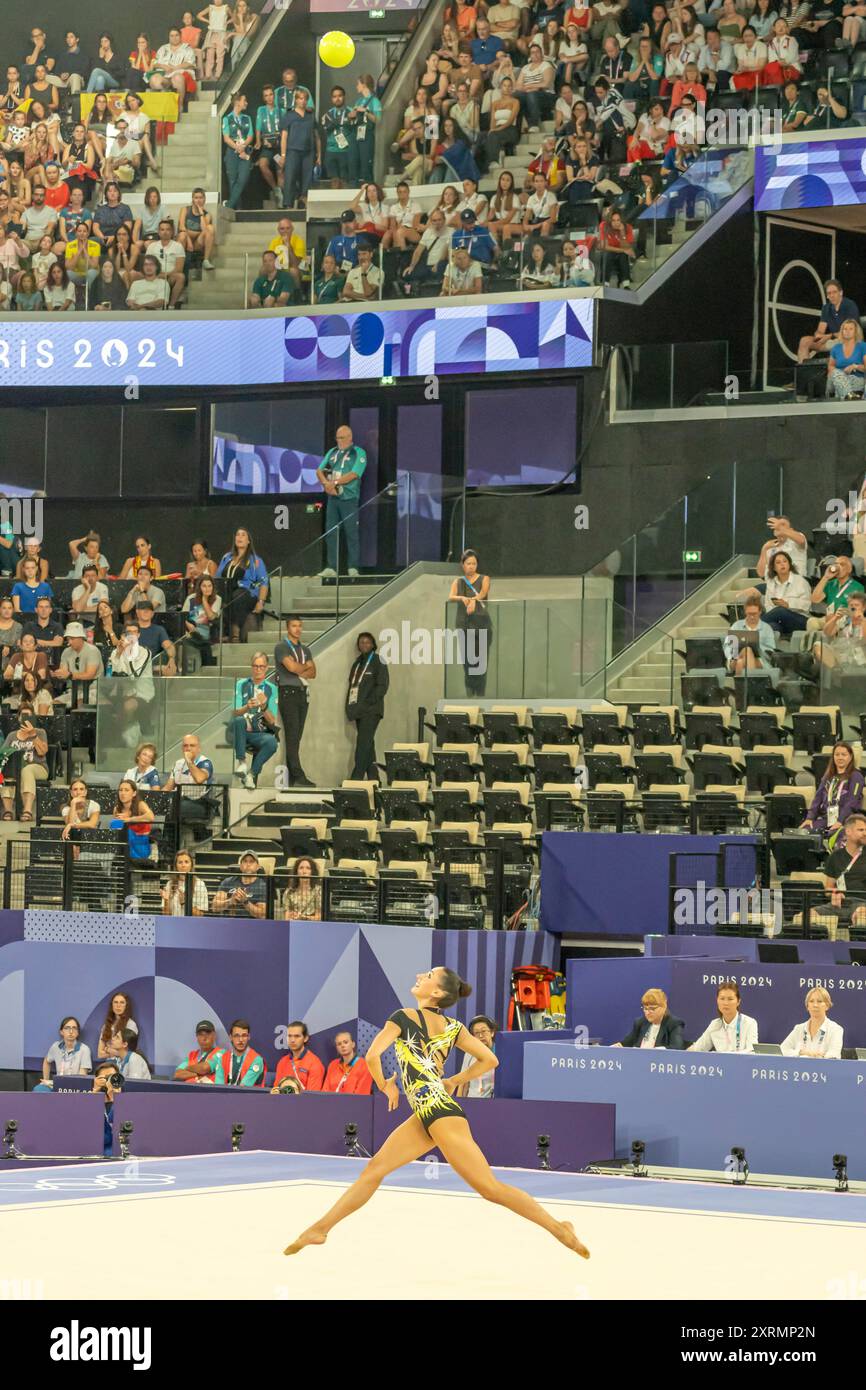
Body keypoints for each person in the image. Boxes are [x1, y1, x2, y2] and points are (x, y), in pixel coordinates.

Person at [285, 967, 589, 1258]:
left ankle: (558, 1228)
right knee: (374, 1170)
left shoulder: (403, 1017)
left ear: (438, 992)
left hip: (441, 1112)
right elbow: (489, 1060)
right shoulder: (453, 1028)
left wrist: (386, 1086)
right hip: (428, 1114)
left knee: (490, 1188)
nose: (420, 976)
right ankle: (320, 1229)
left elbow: (374, 1055)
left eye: (428, 975)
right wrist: (454, 1080)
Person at [316, 424, 368, 579]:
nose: (339, 440)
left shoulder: (358, 452)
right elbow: (319, 470)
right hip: (333, 497)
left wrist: (336, 482)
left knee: (351, 532)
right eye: (337, 438)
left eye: (342, 437)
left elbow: (354, 473)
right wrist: (326, 484)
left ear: (350, 437)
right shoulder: (332, 452)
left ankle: (353, 566)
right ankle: (331, 566)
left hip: (349, 498)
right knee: (331, 531)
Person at [274, 615, 316, 788]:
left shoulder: (305, 649)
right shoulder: (282, 647)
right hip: (288, 693)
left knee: (296, 736)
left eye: (300, 626)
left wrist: (300, 668)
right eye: (294, 626)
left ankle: (293, 777)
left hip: (302, 693)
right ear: (287, 628)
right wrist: (303, 666)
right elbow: (291, 668)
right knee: (291, 735)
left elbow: (313, 673)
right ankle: (298, 775)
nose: (297, 629)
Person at [230, 652, 279, 789]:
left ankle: (251, 775)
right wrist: (247, 707)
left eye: (261, 666)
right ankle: (242, 763)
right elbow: (234, 712)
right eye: (255, 666)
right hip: (241, 729)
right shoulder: (241, 684)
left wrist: (264, 706)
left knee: (272, 742)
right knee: (239, 720)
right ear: (252, 667)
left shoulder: (272, 689)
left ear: (267, 668)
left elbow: (272, 721)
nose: (258, 669)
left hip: (259, 731)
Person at [346, 631, 389, 780]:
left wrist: (368, 702)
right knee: (368, 745)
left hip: (371, 710)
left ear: (373, 645)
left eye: (367, 642)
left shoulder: (379, 661)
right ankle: (374, 779)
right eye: (361, 642)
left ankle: (356, 778)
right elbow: (352, 686)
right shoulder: (357, 663)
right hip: (358, 711)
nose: (364, 644)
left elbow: (382, 686)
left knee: (362, 744)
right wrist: (350, 708)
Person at [449, 549, 492, 696]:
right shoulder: (458, 581)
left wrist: (473, 601)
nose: (471, 566)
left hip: (481, 625)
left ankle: (480, 693)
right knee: (467, 660)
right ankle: (470, 692)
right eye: (468, 563)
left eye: (474, 563)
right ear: (463, 565)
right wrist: (462, 598)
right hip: (464, 625)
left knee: (480, 661)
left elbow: (483, 593)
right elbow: (451, 596)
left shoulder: (484, 578)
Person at [216, 528, 268, 643]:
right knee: (223, 598)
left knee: (237, 596)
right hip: (228, 591)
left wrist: (261, 602)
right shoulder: (227, 557)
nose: (239, 537)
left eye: (243, 535)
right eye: (237, 535)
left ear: (248, 541)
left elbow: (264, 582)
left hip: (247, 593)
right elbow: (218, 577)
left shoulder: (255, 560)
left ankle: (235, 634)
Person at [0, 703, 49, 821]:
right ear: (18, 717)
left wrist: (33, 735)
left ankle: (27, 810)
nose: (25, 718)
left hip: (38, 767)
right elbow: (2, 754)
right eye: (23, 715)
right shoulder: (12, 735)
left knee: (27, 770)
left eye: (29, 716)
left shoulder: (40, 732)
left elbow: (42, 752)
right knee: (5, 771)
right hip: (15, 768)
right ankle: (8, 810)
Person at [798, 278, 860, 365]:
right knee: (804, 341)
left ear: (840, 292)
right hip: (833, 341)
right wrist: (818, 335)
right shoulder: (826, 308)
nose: (832, 295)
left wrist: (829, 336)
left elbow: (849, 333)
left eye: (834, 292)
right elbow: (821, 329)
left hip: (848, 341)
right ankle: (804, 375)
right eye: (829, 293)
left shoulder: (850, 305)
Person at [162, 733, 215, 836]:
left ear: (199, 748)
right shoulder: (178, 763)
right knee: (164, 806)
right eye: (185, 746)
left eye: (192, 745)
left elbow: (200, 778)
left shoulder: (205, 762)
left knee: (173, 807)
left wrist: (189, 761)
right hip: (180, 801)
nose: (188, 748)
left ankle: (168, 846)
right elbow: (168, 787)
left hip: (200, 803)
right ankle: (160, 839)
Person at [280, 88, 320, 211]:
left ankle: (304, 200)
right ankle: (288, 203)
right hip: (293, 150)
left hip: (309, 151)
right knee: (290, 176)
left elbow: (317, 137)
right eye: (300, 98)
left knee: (307, 178)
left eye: (305, 99)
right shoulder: (289, 115)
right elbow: (284, 137)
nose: (303, 101)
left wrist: (319, 155)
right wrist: (283, 155)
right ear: (296, 100)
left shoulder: (310, 116)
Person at [689, 981, 759, 1052]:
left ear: (738, 1002)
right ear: (717, 1001)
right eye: (722, 999)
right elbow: (697, 1048)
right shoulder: (714, 1024)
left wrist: (722, 1056)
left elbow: (752, 1051)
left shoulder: (749, 1023)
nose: (725, 1003)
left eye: (730, 999)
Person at [779, 988, 843, 1059]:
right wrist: (801, 1052)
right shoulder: (799, 1029)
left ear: (827, 1006)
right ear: (807, 1006)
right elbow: (782, 1050)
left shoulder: (835, 1029)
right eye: (811, 1001)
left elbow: (834, 1056)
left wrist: (814, 1057)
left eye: (819, 1001)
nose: (815, 1005)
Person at [612, 989, 686, 1049]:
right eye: (645, 1008)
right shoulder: (640, 1022)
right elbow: (626, 1043)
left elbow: (677, 1047)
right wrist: (616, 1047)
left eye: (652, 1009)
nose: (647, 1012)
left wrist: (655, 1051)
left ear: (664, 1007)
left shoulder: (674, 1024)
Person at [761, 551, 811, 635]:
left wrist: (788, 604)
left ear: (789, 564)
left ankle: (751, 626)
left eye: (785, 561)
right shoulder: (771, 583)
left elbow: (807, 605)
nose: (782, 564)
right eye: (778, 562)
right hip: (780, 621)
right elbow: (768, 605)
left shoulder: (801, 581)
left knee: (781, 610)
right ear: (774, 568)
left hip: (800, 619)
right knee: (772, 626)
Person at [727, 595, 777, 678]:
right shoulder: (736, 626)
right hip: (736, 659)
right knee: (743, 656)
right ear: (745, 611)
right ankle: (751, 684)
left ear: (760, 612)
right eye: (749, 614)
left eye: (754, 614)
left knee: (745, 655)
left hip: (761, 660)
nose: (752, 616)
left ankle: (741, 688)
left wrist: (757, 649)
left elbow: (771, 651)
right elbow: (729, 647)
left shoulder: (766, 628)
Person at [36, 1017, 92, 1089]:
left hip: (75, 1087)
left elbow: (82, 1077)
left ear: (78, 1032)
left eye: (74, 1028)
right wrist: (46, 1079)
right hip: (57, 1085)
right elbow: (47, 1061)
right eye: (67, 1028)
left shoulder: (84, 1049)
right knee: (39, 1089)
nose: (71, 1031)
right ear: (61, 1032)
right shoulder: (56, 1046)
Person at [271, 1021, 325, 1093]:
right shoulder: (282, 1061)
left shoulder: (315, 1063)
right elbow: (276, 1091)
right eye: (289, 1036)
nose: (292, 1040)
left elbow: (312, 1097)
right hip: (282, 1102)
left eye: (297, 1036)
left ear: (305, 1038)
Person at [222, 91, 254, 211]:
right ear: (237, 102)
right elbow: (226, 138)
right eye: (244, 100)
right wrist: (237, 147)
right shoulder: (227, 119)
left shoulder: (247, 118)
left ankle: (229, 205)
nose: (246, 103)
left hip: (245, 152)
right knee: (233, 181)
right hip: (232, 153)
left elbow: (250, 135)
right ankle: (237, 208)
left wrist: (243, 146)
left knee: (243, 179)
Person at [182, 574, 222, 666]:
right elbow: (183, 617)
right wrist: (189, 626)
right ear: (199, 587)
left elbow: (211, 616)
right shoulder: (191, 598)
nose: (207, 589)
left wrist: (204, 599)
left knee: (205, 646)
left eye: (209, 586)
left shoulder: (217, 599)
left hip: (207, 634)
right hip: (191, 632)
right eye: (204, 586)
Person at [211, 1019, 266, 1086]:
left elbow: (243, 1089)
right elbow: (218, 1087)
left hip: (249, 1096)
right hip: (225, 1095)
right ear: (231, 1037)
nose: (240, 1040)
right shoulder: (222, 1058)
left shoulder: (256, 1060)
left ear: (248, 1037)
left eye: (244, 1035)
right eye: (237, 1036)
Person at [214, 850, 268, 918]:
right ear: (240, 866)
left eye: (251, 861)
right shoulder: (228, 882)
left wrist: (245, 902)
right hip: (229, 923)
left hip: (252, 925)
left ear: (258, 866)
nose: (248, 864)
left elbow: (262, 915)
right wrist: (230, 901)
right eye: (245, 861)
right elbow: (214, 907)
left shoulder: (262, 886)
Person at [457, 1015, 498, 1096]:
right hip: (472, 1100)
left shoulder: (500, 1052)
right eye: (476, 1033)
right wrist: (459, 1102)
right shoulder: (469, 1053)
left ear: (492, 1032)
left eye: (484, 1031)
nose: (481, 1036)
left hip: (493, 1101)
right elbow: (463, 1082)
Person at [161, 848, 209, 916]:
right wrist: (166, 900)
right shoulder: (169, 884)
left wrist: (185, 903)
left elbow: (200, 915)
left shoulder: (200, 884)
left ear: (191, 865)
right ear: (176, 866)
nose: (183, 865)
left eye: (186, 862)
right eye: (180, 862)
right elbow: (165, 915)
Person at [827, 319, 866, 400]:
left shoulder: (862, 346)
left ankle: (848, 396)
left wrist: (855, 366)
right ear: (842, 331)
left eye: (851, 329)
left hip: (856, 379)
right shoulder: (836, 348)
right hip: (839, 380)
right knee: (835, 373)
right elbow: (830, 367)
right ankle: (850, 396)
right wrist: (841, 373)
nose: (847, 331)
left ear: (856, 331)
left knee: (841, 386)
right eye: (845, 329)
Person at [60, 778, 101, 853]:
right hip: (72, 840)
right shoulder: (65, 808)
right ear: (71, 793)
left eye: (81, 789)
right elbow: (69, 824)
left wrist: (72, 825)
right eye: (75, 789)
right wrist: (73, 804)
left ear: (85, 792)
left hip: (90, 839)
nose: (78, 792)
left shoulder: (94, 805)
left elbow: (92, 824)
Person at [178, 188, 215, 270]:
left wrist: (201, 213)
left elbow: (205, 230)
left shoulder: (207, 215)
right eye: (196, 198)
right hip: (185, 240)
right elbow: (181, 227)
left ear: (204, 199)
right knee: (182, 235)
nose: (198, 200)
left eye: (201, 198)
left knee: (210, 228)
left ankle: (206, 260)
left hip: (198, 243)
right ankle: (179, 266)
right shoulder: (185, 210)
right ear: (192, 199)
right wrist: (188, 239)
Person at [98, 991, 138, 1057]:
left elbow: (128, 1054)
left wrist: (107, 1049)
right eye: (115, 1002)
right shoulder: (106, 1025)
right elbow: (100, 1054)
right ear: (112, 1005)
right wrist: (115, 1052)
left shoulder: (131, 1024)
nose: (118, 1006)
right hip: (110, 1064)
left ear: (126, 1006)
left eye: (122, 1003)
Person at [282, 856, 322, 921]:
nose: (304, 871)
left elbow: (319, 918)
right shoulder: (289, 891)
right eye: (301, 868)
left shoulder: (318, 891)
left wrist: (303, 917)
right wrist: (293, 916)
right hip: (293, 926)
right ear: (296, 872)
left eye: (308, 868)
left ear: (312, 872)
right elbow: (286, 918)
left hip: (312, 927)